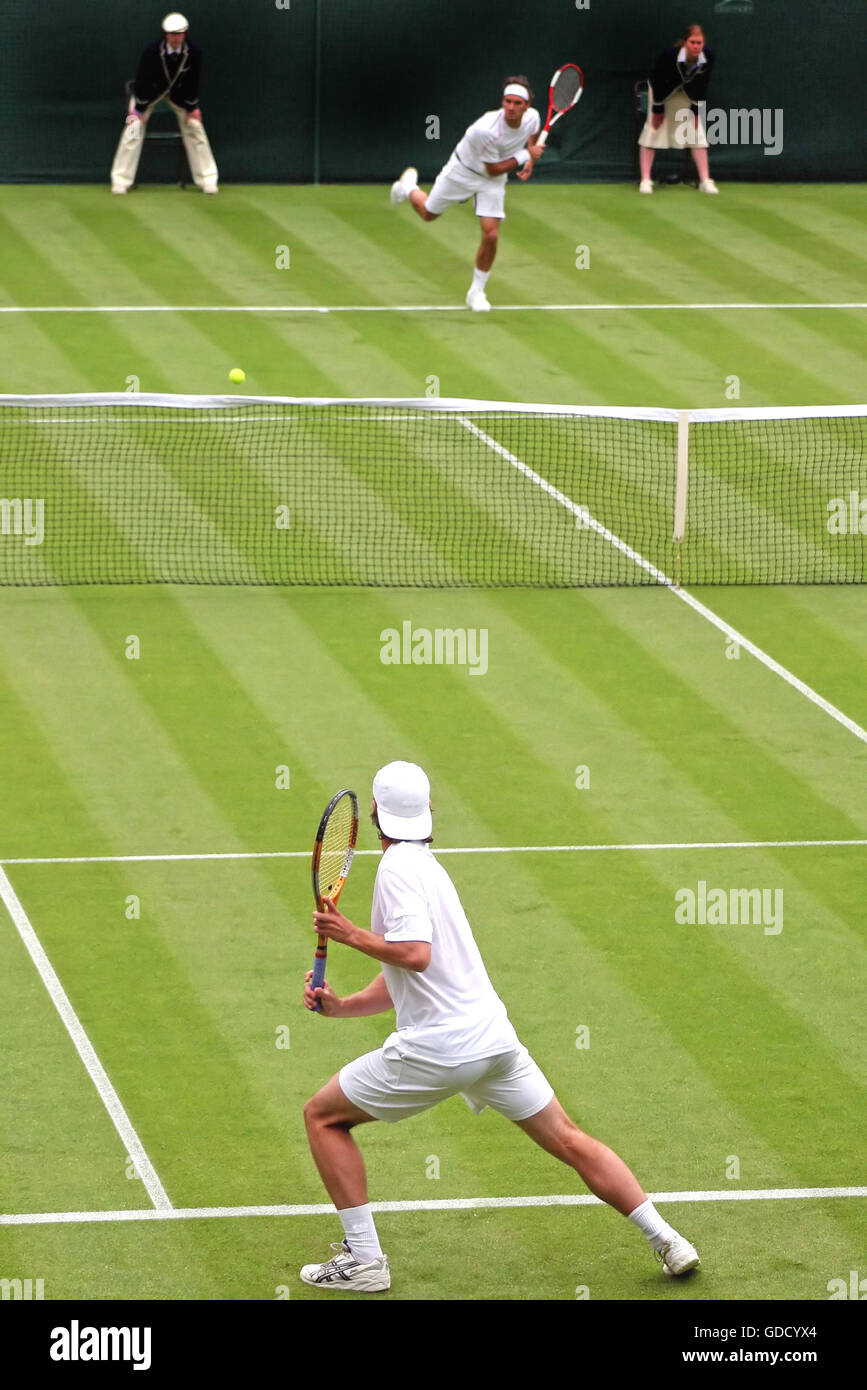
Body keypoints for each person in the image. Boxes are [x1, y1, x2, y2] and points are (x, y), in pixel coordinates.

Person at [300, 760, 701, 1293]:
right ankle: (669, 1240)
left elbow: (416, 955)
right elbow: (421, 970)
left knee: (322, 1117)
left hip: (439, 1049)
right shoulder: (428, 868)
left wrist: (348, 934)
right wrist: (343, 1004)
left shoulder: (397, 871)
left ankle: (366, 1261)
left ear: (373, 813)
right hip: (493, 1040)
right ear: (427, 813)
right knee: (569, 1138)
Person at [389, 79, 545, 312]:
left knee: (491, 235)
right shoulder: (485, 129)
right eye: (507, 101)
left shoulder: (533, 116)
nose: (511, 107)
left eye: (517, 103)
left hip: (491, 183)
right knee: (428, 214)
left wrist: (530, 159)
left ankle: (476, 292)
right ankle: (409, 186)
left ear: (526, 105)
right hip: (463, 171)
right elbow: (493, 168)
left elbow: (532, 134)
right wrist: (526, 156)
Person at [110, 13, 218, 196]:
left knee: (195, 127)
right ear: (165, 35)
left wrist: (192, 108)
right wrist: (138, 110)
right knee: (132, 128)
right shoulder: (151, 50)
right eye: (172, 34)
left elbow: (193, 81)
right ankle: (120, 180)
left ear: (185, 34)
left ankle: (208, 179)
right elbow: (142, 80)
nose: (176, 38)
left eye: (180, 34)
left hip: (179, 98)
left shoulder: (194, 52)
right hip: (146, 96)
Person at [637, 24, 718, 194]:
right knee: (653, 130)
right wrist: (658, 110)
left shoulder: (708, 56)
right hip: (663, 91)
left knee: (696, 132)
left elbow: (703, 83)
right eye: (693, 42)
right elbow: (656, 79)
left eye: (699, 43)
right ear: (684, 43)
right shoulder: (669, 55)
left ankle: (705, 180)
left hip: (689, 94)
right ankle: (645, 180)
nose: (696, 46)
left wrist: (695, 111)